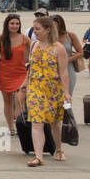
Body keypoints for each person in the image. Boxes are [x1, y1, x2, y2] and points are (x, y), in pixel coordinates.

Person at [25, 16, 68, 166]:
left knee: (55, 123)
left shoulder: (58, 48)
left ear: (48, 29)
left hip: (53, 89)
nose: (35, 32)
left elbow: (63, 72)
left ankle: (59, 148)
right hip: (35, 88)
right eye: (34, 29)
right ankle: (39, 156)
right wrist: (25, 83)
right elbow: (30, 66)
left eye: (38, 29)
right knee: (37, 122)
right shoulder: (33, 45)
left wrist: (66, 92)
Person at [0, 14, 28, 132]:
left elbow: (34, 51)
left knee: (19, 100)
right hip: (4, 74)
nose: (15, 26)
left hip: (20, 74)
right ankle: (10, 127)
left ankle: (20, 127)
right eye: (12, 23)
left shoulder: (24, 38)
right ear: (7, 25)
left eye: (17, 23)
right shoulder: (0, 38)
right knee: (7, 101)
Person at [53, 15, 82, 107]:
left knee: (67, 97)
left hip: (68, 69)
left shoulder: (70, 36)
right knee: (53, 98)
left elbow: (80, 52)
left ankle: (68, 119)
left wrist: (67, 60)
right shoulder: (48, 37)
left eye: (55, 25)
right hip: (52, 69)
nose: (53, 28)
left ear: (60, 25)